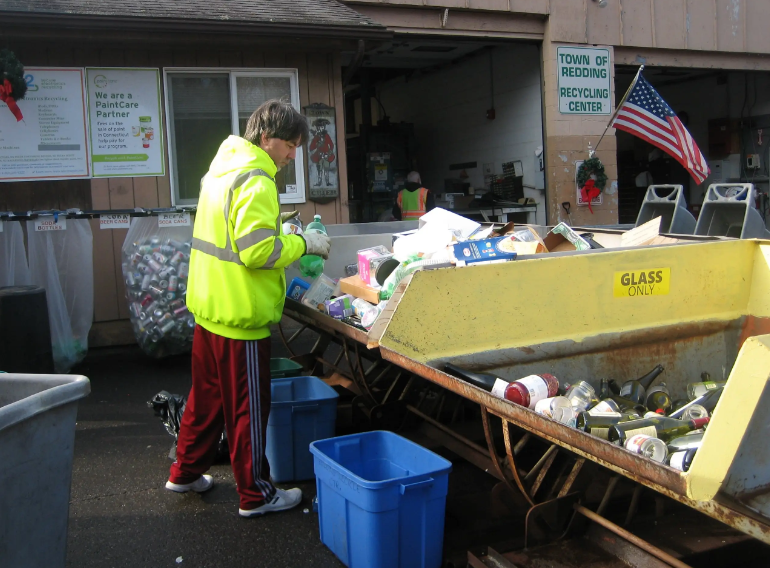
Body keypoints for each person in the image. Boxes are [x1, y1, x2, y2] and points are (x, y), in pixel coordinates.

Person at [164, 100, 331, 518]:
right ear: (265, 138)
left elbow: (235, 235)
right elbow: (258, 251)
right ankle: (256, 494)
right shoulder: (258, 180)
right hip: (240, 318)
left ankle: (184, 471)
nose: (293, 154)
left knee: (205, 401)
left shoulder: (221, 170)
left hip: (210, 310)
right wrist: (303, 243)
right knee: (248, 412)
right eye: (290, 145)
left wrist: (281, 229)